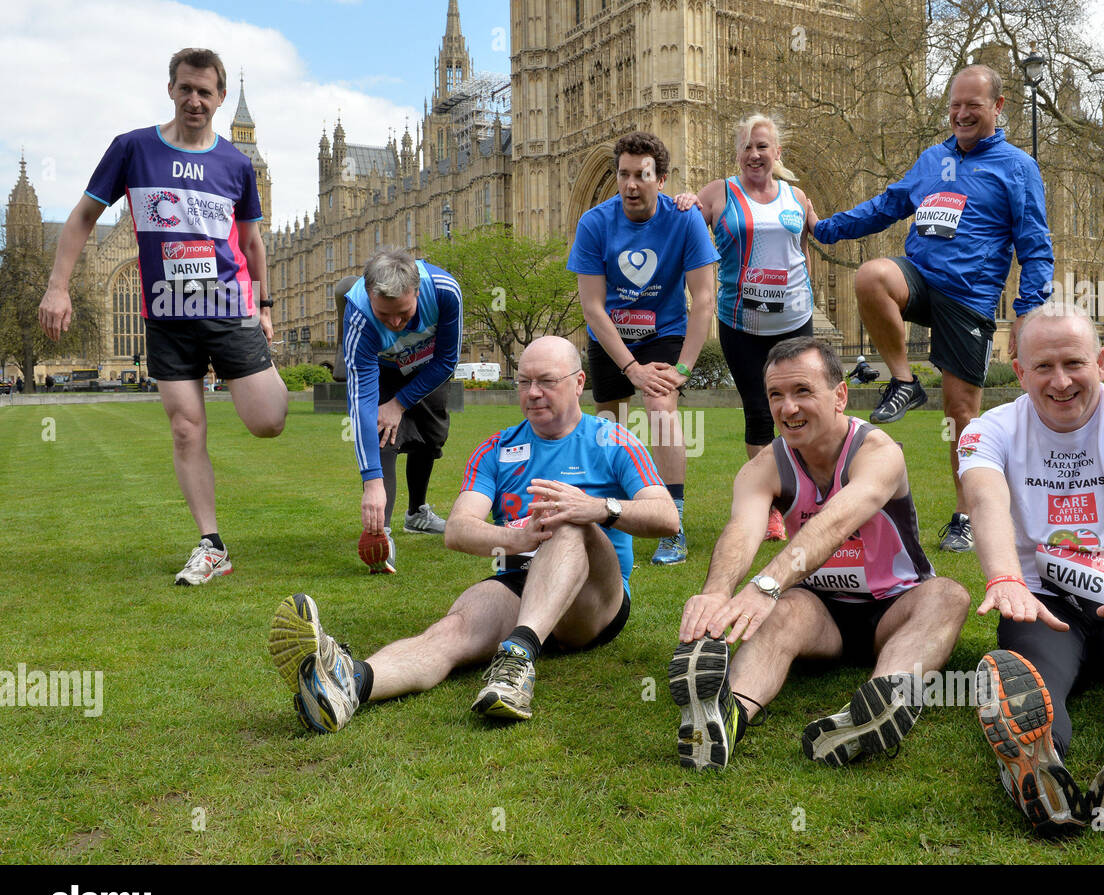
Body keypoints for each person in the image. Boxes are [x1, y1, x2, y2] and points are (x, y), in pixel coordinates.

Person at [268, 336, 678, 731]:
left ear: (578, 382)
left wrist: (597, 509)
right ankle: (348, 683)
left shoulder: (614, 441)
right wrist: (518, 540)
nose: (533, 392)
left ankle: (516, 658)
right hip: (519, 583)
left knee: (565, 516)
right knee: (452, 631)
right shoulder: (497, 448)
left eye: (547, 382)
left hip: (595, 599)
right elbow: (459, 530)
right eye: (524, 382)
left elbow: (666, 518)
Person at [38, 48, 287, 585]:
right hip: (167, 314)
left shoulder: (237, 164)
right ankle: (211, 544)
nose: (194, 100)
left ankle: (261, 372)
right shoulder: (132, 149)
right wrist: (58, 286)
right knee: (184, 429)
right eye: (186, 89)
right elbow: (83, 218)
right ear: (171, 89)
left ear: (220, 98)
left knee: (269, 421)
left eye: (205, 91)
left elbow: (251, 242)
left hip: (226, 307)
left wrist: (264, 308)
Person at [671, 337, 968, 770]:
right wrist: (717, 592)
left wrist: (765, 584)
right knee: (781, 611)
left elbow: (836, 521)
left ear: (840, 395)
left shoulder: (879, 453)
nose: (788, 408)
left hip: (896, 607)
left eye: (802, 392)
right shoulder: (764, 467)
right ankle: (724, 717)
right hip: (820, 613)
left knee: (949, 596)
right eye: (776, 395)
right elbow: (743, 528)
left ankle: (874, 709)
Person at [958, 303, 1104, 838]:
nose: (1060, 381)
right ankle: (1035, 767)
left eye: (1074, 363)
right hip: (1042, 598)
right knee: (1034, 685)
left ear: (1103, 362)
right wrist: (1004, 578)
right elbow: (984, 499)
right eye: (1042, 367)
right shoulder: (988, 429)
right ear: (1018, 371)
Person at [813, 64, 1054, 553]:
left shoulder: (1016, 167)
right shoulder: (932, 159)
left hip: (969, 297)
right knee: (871, 276)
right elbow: (887, 205)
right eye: (955, 105)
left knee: (962, 415)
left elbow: (1035, 244)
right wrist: (824, 228)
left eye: (973, 106)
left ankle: (965, 515)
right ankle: (904, 381)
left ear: (998, 108)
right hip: (920, 279)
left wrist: (1029, 310)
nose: (962, 114)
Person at [568, 131, 719, 565]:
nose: (631, 184)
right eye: (623, 175)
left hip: (663, 330)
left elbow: (704, 299)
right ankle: (610, 522)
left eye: (642, 175)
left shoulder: (684, 218)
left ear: (662, 178)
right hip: (612, 335)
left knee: (660, 409)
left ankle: (674, 522)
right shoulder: (595, 223)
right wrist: (631, 368)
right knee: (609, 422)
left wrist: (683, 370)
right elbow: (593, 308)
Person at [674, 114, 819, 542]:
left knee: (804, 411)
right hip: (740, 323)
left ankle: (809, 500)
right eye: (747, 148)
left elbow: (806, 247)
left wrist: (807, 291)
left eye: (762, 147)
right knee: (760, 412)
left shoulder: (797, 196)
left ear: (778, 153)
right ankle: (772, 509)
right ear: (737, 153)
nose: (754, 155)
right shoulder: (719, 192)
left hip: (795, 320)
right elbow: (683, 230)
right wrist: (683, 200)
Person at [335, 250, 461, 574]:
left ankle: (417, 513)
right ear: (371, 296)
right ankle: (382, 533)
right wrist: (370, 482)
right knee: (384, 435)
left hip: (428, 365)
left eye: (403, 314)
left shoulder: (445, 292)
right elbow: (361, 400)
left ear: (416, 292)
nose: (394, 323)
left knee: (431, 438)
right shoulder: (360, 316)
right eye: (385, 314)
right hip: (382, 367)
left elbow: (447, 361)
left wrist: (400, 403)